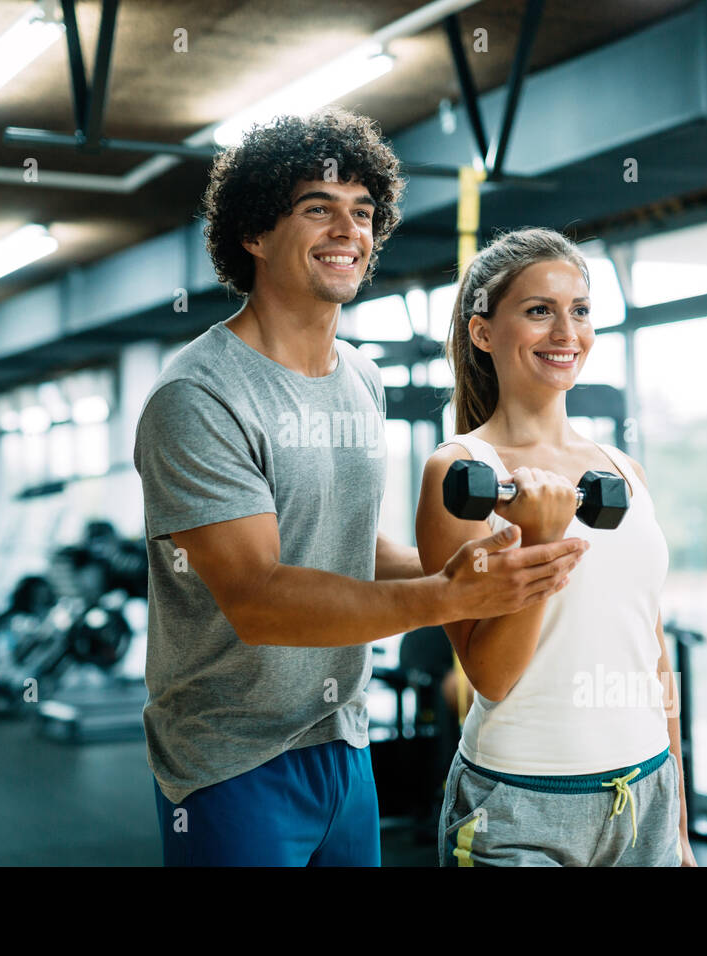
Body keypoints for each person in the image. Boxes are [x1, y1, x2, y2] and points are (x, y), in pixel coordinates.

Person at [133, 109, 585, 867]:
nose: (350, 230)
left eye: (364, 213)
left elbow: (348, 544)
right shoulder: (200, 395)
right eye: (319, 209)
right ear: (252, 232)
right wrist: (450, 600)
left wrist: (472, 571)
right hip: (229, 760)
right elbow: (259, 597)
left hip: (341, 741)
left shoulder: (360, 379)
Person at [416, 227, 697, 867]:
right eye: (539, 310)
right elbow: (490, 675)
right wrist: (542, 537)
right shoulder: (458, 471)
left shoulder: (623, 470)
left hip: (645, 790)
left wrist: (677, 817)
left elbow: (652, 651)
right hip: (518, 803)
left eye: (580, 311)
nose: (566, 333)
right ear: (483, 332)